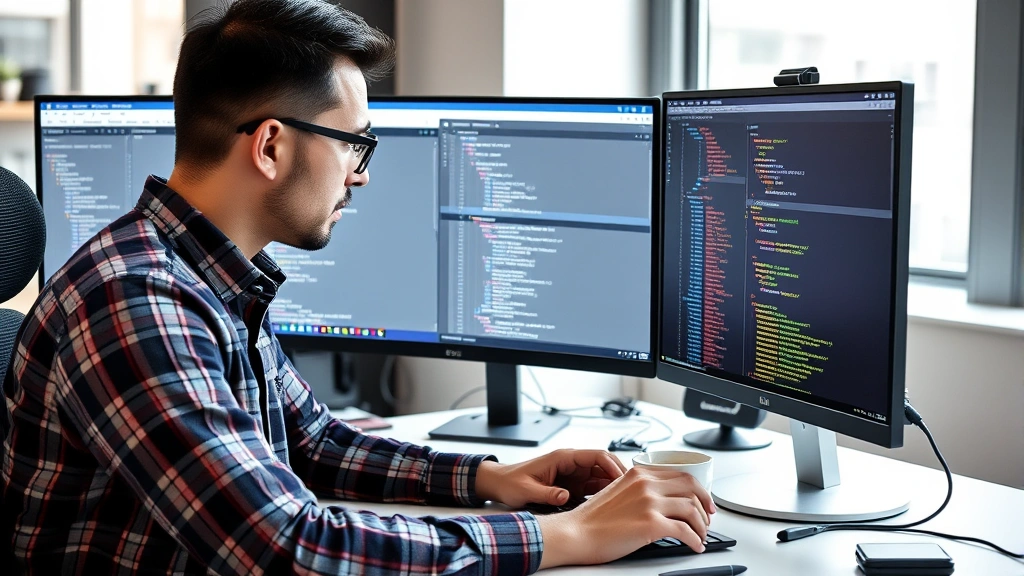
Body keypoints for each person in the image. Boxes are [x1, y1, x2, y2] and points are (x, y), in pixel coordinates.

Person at [0, 1, 714, 574]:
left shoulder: (202, 275)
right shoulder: (134, 301)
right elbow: (286, 546)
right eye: (354, 142)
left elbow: (312, 442)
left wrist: (494, 479)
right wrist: (567, 536)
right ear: (272, 145)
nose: (361, 172)